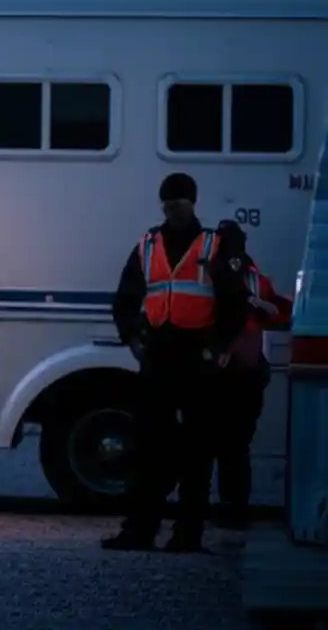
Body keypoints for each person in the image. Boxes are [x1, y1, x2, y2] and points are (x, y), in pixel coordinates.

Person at [102, 172, 247, 553]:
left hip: (198, 356)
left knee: (197, 451)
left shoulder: (215, 244)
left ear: (192, 203)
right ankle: (139, 530)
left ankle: (187, 534)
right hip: (159, 354)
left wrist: (219, 347)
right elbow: (126, 297)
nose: (172, 209)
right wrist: (132, 337)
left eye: (178, 203)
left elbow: (235, 301)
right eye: (167, 204)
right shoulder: (148, 244)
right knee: (149, 445)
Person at [213, 220, 292, 530]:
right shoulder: (257, 279)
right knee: (237, 445)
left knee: (223, 444)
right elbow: (280, 312)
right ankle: (236, 508)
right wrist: (263, 308)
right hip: (249, 369)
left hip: (227, 369)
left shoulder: (214, 273)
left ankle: (228, 507)